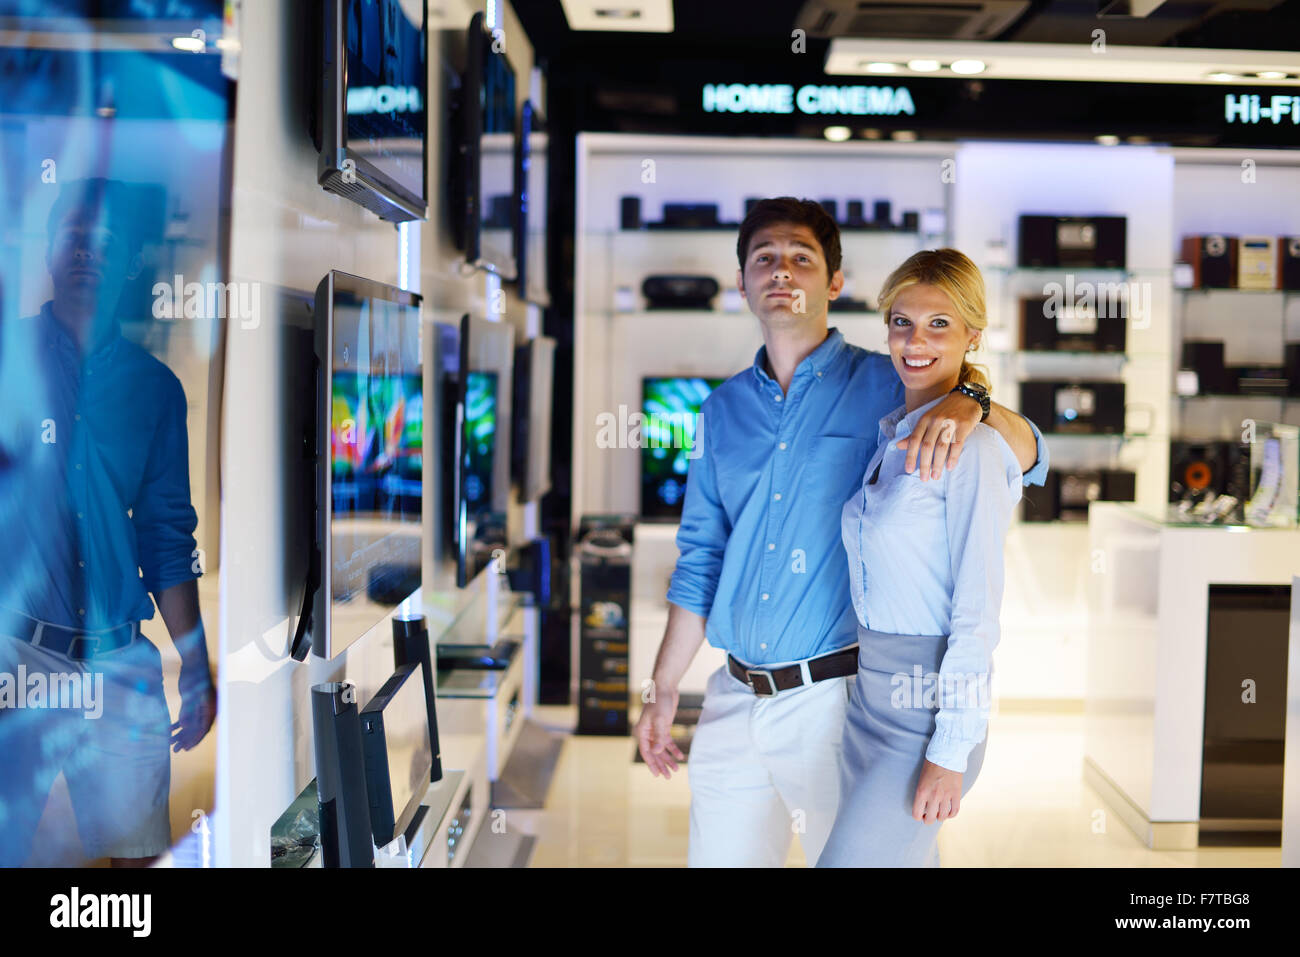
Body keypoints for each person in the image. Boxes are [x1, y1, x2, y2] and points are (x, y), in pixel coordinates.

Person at [633, 198, 1049, 867]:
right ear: (740, 281)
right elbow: (700, 559)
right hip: (732, 697)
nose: (782, 271)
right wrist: (661, 689)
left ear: (835, 282)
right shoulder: (719, 410)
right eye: (764, 257)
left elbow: (1031, 454)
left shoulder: (893, 379)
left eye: (803, 257)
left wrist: (970, 400)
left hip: (835, 701)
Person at [0, 177, 215, 867]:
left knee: (134, 873)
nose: (87, 252)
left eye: (106, 242)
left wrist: (197, 665)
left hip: (121, 663)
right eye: (74, 237)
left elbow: (166, 539)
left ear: (127, 261)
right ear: (51, 251)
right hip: (16, 659)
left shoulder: (156, 391)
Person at [818, 249, 1019, 868]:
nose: (915, 341)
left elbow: (977, 612)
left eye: (939, 325)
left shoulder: (975, 449)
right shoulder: (893, 435)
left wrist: (950, 751)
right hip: (867, 702)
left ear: (973, 336)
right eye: (902, 322)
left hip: (923, 713)